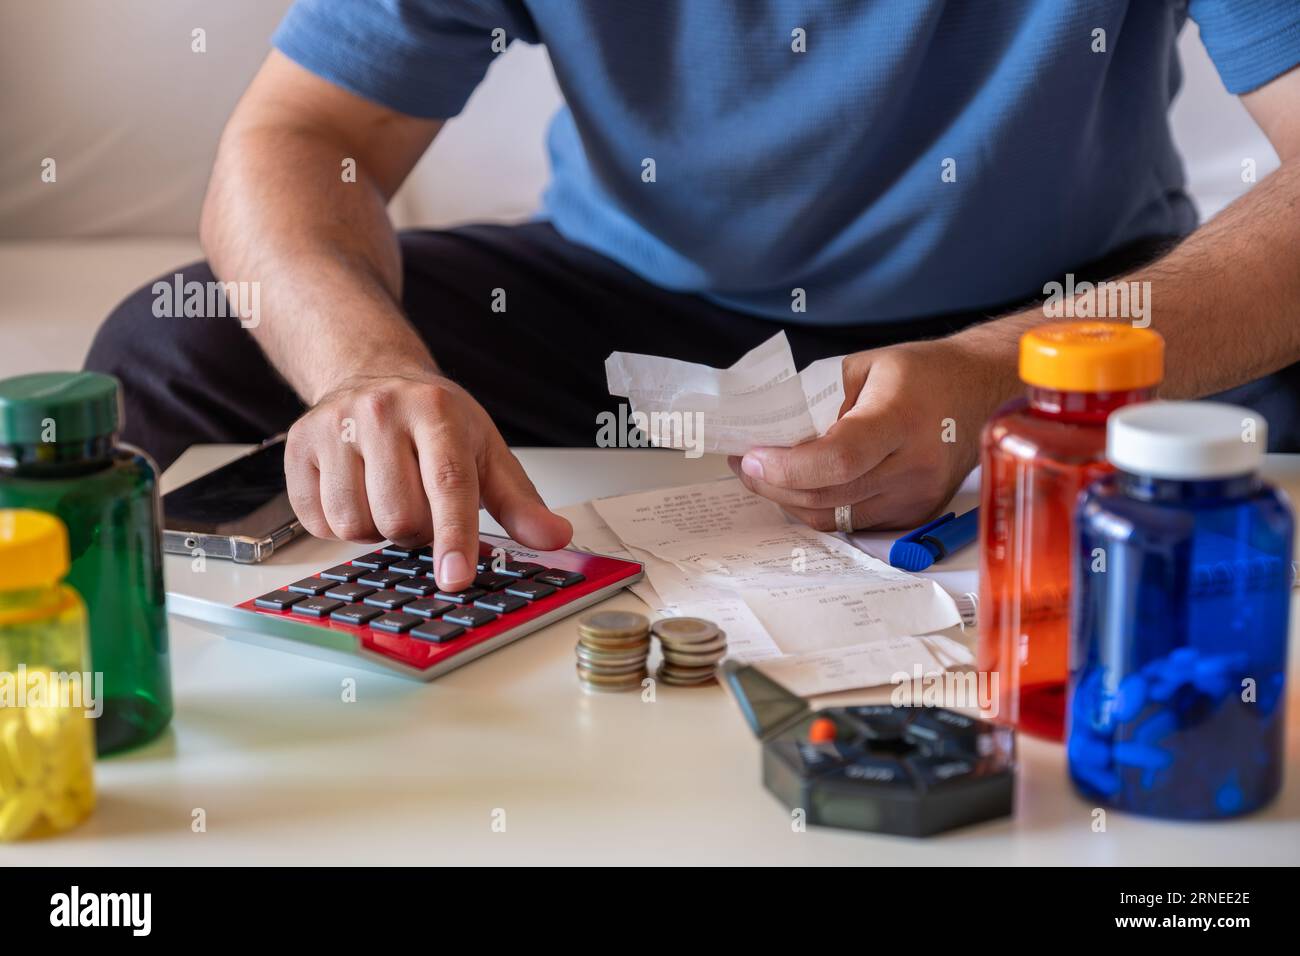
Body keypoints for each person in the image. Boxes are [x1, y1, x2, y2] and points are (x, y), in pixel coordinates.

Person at [87, 1, 1300, 593]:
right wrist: (365, 375)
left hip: (1057, 321)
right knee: (180, 346)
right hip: (627, 299)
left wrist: (999, 370)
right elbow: (301, 134)